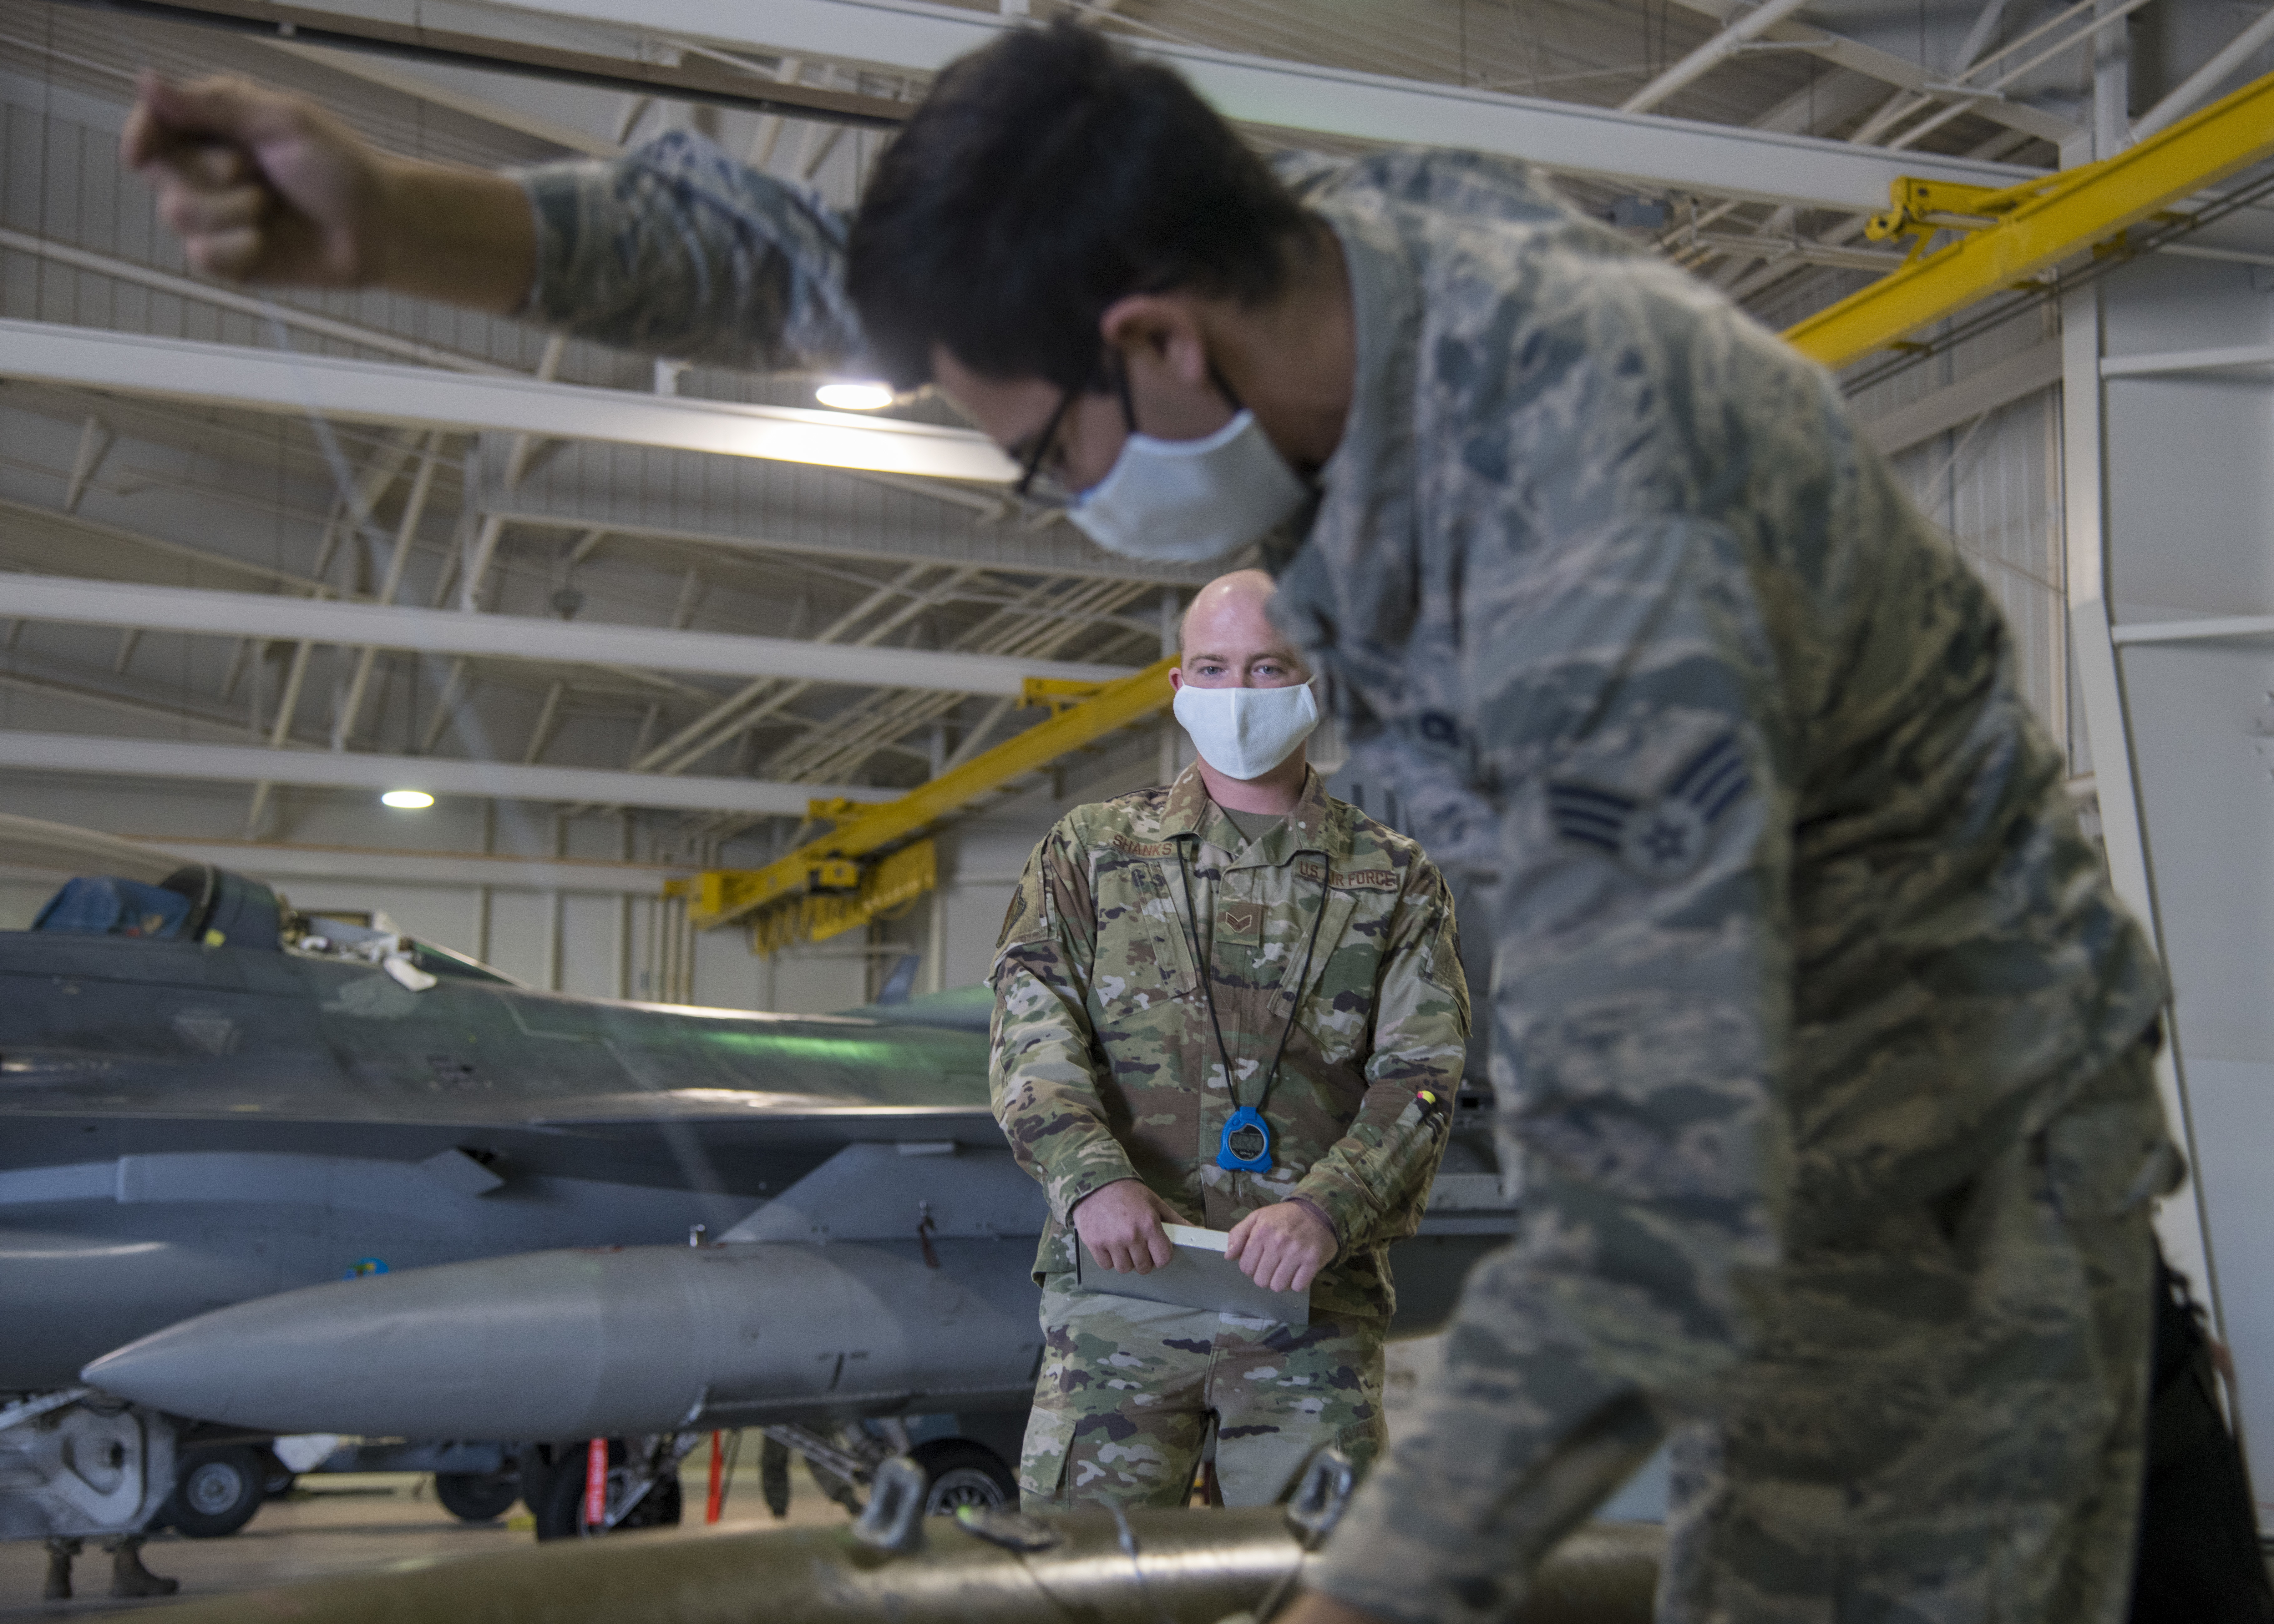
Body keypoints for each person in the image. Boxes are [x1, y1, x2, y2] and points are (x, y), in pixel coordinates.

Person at [127, 19, 2180, 1621]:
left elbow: (1657, 1204)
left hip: (1934, 1171)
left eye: (1033, 459)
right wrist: (403, 220)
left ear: (1150, 344)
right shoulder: (1311, 283)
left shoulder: (1581, 540)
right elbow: (798, 267)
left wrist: (1365, 1578)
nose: (1056, 503)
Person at [991, 568, 1467, 1509]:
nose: (1237, 695)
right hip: (1122, 1293)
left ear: (1309, 682)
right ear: (1178, 687)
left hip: (1309, 1305)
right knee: (1083, 1587)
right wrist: (1093, 1176)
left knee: (1308, 1587)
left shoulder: (1393, 878)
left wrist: (1327, 1208)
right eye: (1212, 668)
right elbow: (1031, 1032)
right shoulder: (1091, 851)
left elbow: (1423, 1076)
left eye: (1265, 669)